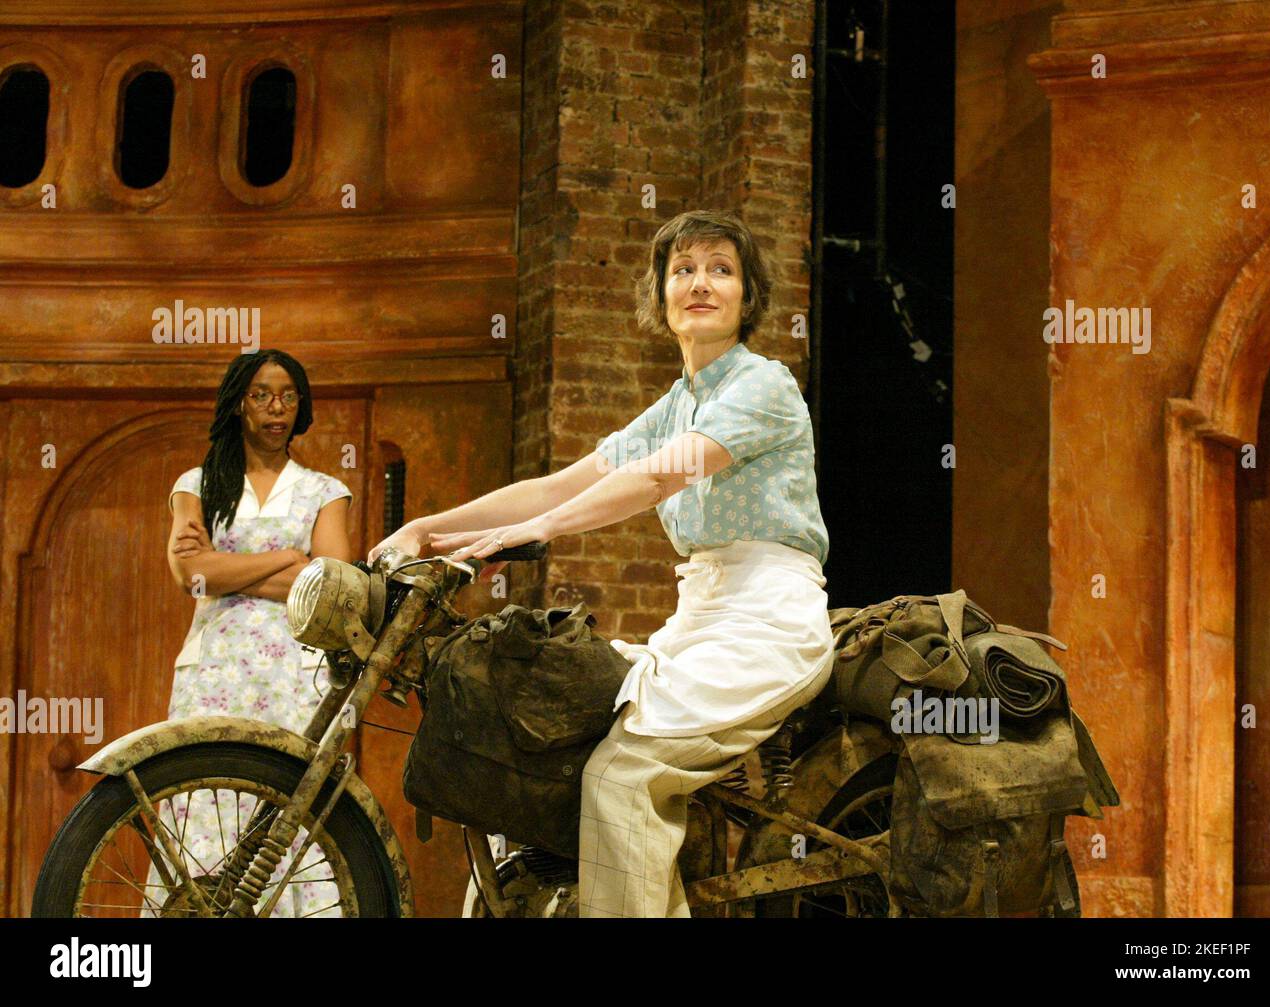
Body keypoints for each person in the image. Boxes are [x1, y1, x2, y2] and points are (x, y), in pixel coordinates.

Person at [370, 209, 833, 918]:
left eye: (720, 269)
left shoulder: (762, 385)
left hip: (766, 621)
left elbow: (659, 477)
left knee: (622, 776)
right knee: (570, 747)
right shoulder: (678, 402)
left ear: (748, 296)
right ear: (661, 293)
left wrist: (537, 531)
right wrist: (428, 529)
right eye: (682, 269)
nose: (699, 283)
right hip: (701, 617)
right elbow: (560, 484)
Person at [145, 349, 354, 918]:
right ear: (239, 403)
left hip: (297, 676)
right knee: (205, 805)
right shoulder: (197, 484)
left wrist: (228, 569)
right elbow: (191, 575)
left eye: (288, 395)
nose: (276, 407)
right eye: (262, 394)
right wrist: (289, 558)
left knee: (290, 814)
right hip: (214, 672)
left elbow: (334, 587)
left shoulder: (324, 491)